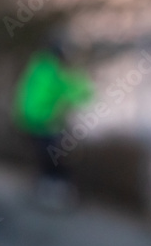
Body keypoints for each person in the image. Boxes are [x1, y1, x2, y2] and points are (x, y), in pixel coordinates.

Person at [13, 39, 93, 209]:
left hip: (29, 120)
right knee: (56, 156)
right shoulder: (54, 72)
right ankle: (54, 191)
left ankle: (45, 188)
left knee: (46, 155)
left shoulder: (37, 66)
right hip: (45, 121)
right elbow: (74, 92)